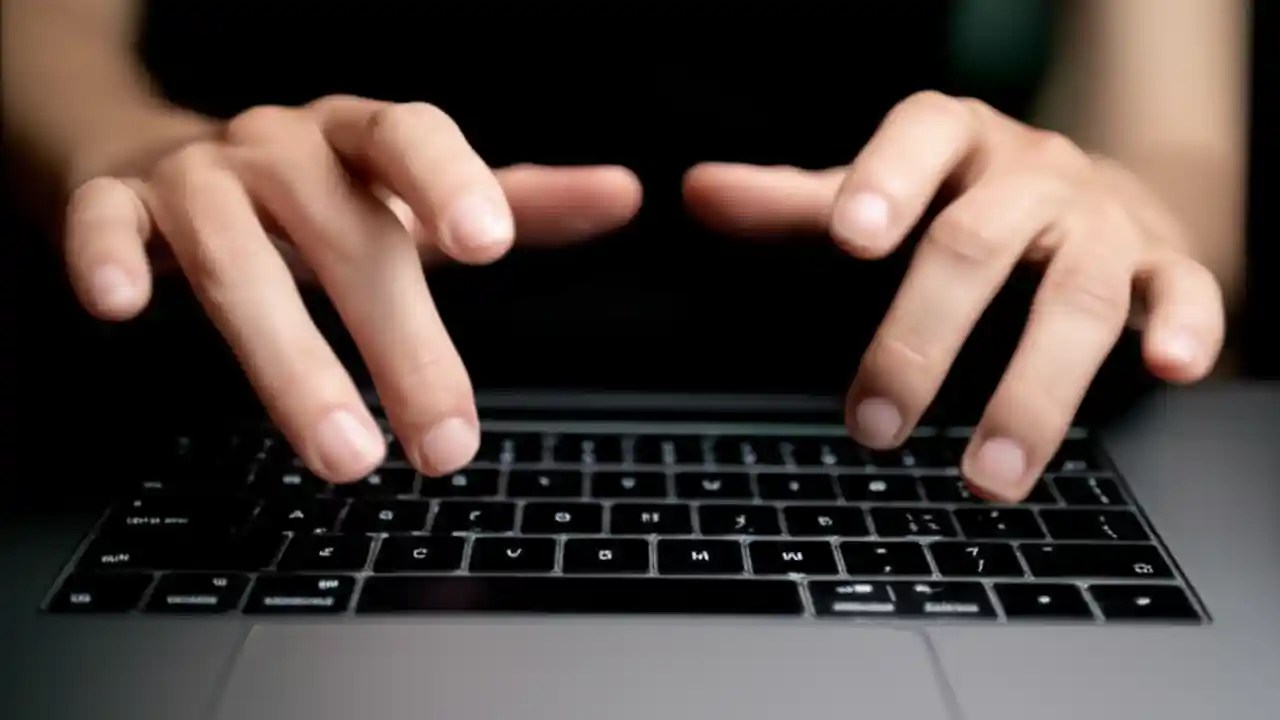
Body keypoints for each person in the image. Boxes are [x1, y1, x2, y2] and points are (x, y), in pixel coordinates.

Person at [1, 0, 1247, 501]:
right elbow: (51, 56)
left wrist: (1121, 216)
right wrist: (140, 156)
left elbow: (1180, 153)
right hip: (262, 367)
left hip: (881, 401)